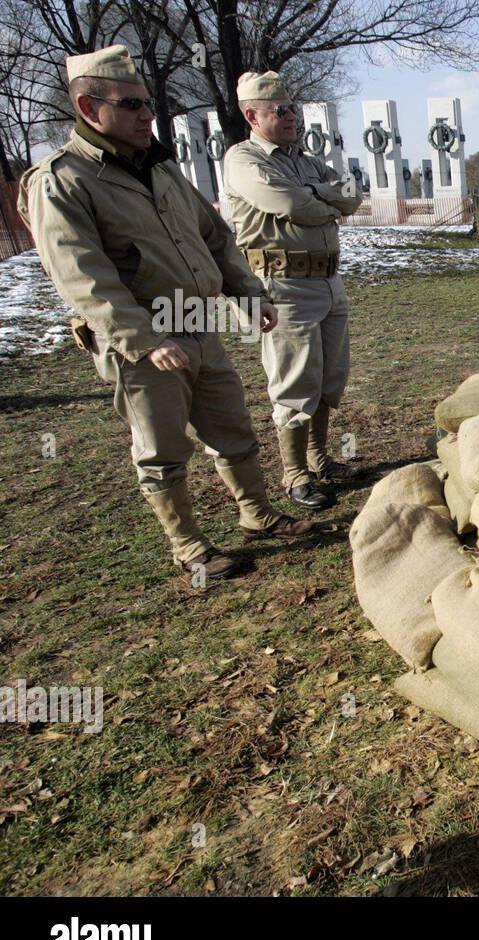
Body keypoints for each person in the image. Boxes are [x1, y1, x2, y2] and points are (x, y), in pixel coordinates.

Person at [18, 45, 315, 582]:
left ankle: (257, 514)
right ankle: (190, 546)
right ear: (89, 108)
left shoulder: (160, 168)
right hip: (145, 340)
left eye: (148, 103)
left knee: (233, 428)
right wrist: (145, 340)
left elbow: (215, 236)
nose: (146, 115)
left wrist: (248, 294)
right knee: (162, 448)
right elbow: (82, 276)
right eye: (131, 105)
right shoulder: (62, 180)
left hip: (199, 323)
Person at [223, 71, 363, 511]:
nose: (291, 117)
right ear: (252, 115)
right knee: (295, 380)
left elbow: (352, 194)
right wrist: (320, 202)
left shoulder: (303, 161)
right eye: (279, 111)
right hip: (283, 285)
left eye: (292, 109)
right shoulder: (244, 159)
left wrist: (312, 192)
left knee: (328, 376)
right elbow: (289, 205)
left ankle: (319, 459)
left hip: (328, 279)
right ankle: (294, 473)